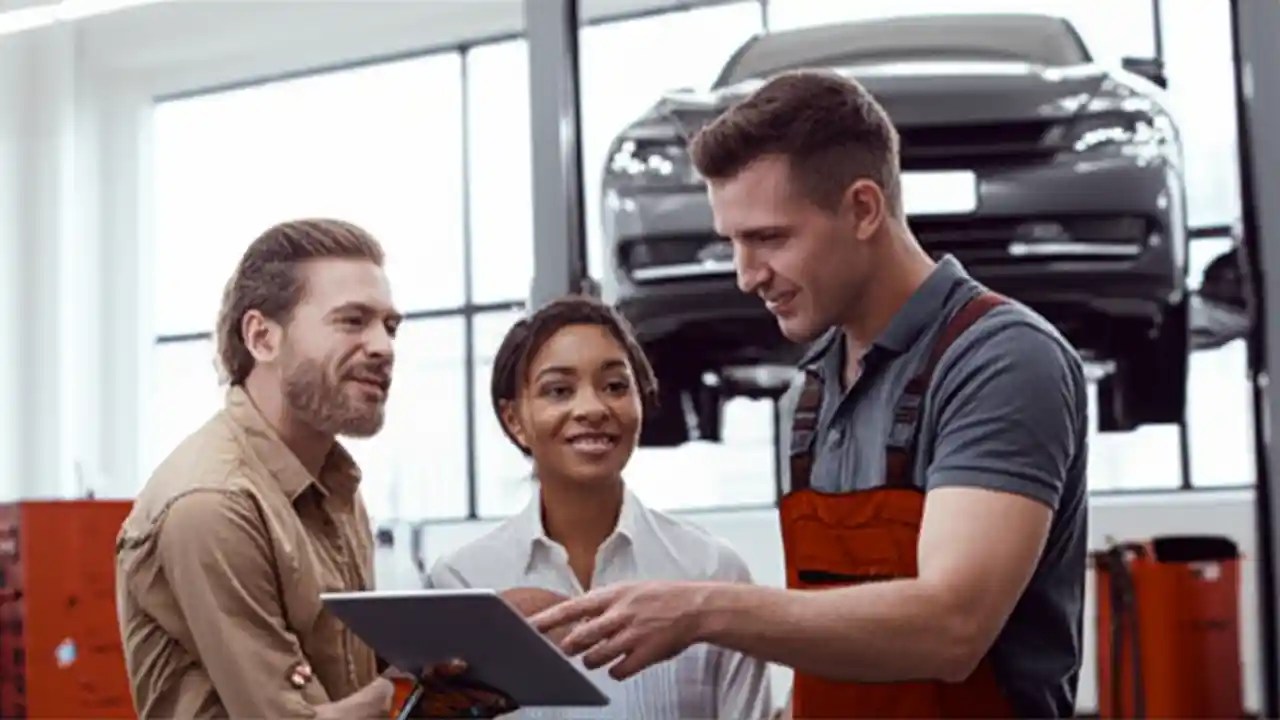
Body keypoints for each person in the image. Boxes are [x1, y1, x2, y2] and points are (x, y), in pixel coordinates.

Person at [531, 70, 1090, 719]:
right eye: (733, 243)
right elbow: (833, 635)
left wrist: (700, 610)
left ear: (863, 209)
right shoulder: (812, 389)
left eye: (769, 238)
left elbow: (951, 627)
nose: (746, 276)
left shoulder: (1001, 360)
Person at [115, 219, 511, 719]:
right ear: (262, 337)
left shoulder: (335, 484)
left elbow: (345, 675)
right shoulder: (212, 503)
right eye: (352, 321)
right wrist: (400, 691)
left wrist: (457, 658)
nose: (384, 347)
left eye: (390, 327)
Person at [428, 295, 774, 719]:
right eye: (558, 391)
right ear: (515, 420)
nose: (592, 409)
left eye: (615, 386)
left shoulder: (712, 572)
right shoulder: (462, 584)